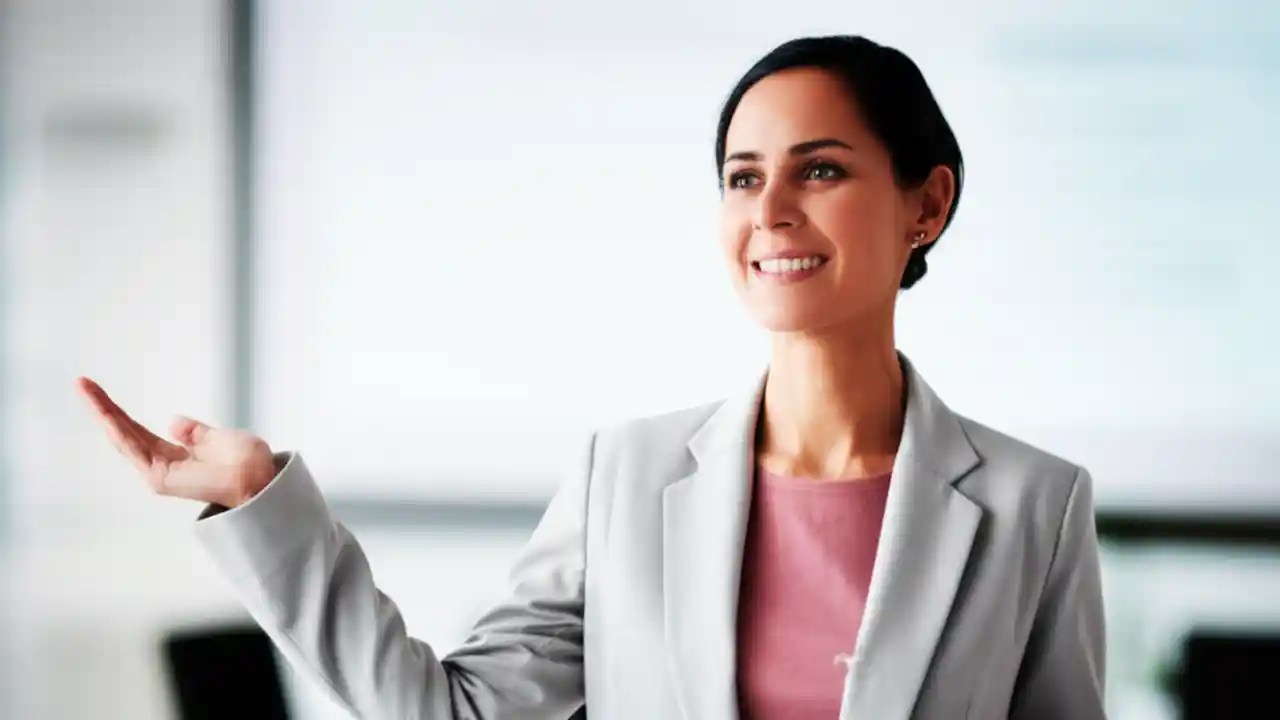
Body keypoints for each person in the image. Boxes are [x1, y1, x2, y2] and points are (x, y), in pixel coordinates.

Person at [77, 34, 1106, 720]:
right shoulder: (626, 476)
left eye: (820, 169)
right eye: (742, 178)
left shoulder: (1033, 505)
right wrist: (261, 500)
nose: (770, 210)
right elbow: (455, 712)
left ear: (925, 205)